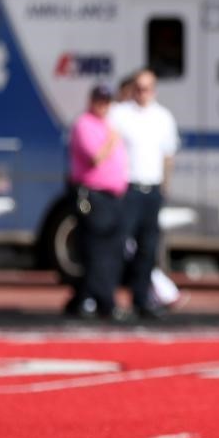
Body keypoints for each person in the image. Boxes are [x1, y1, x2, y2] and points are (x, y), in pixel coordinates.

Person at [109, 68, 179, 317]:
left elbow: (168, 155)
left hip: (152, 188)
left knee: (148, 248)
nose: (142, 93)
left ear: (154, 90)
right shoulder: (120, 114)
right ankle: (110, 297)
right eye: (138, 88)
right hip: (129, 187)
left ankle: (142, 297)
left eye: (147, 88)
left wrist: (165, 187)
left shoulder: (163, 117)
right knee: (118, 244)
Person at [64, 85, 129, 320]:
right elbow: (96, 158)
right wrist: (112, 140)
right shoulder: (85, 124)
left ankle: (87, 297)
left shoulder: (106, 125)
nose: (104, 106)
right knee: (97, 249)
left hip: (113, 196)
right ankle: (101, 300)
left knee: (112, 250)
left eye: (107, 102)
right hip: (94, 195)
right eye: (100, 101)